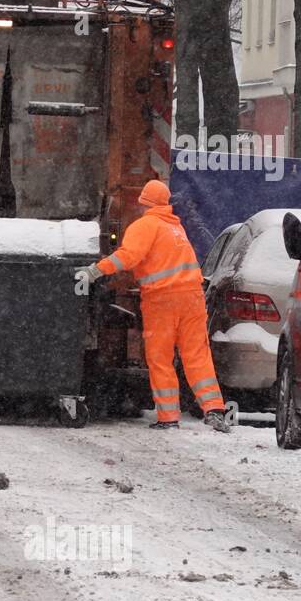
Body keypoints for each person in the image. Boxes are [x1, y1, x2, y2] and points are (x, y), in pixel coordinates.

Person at [79, 179, 231, 433]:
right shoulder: (176, 228)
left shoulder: (145, 226)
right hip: (192, 297)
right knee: (197, 355)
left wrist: (95, 270)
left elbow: (128, 256)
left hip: (163, 300)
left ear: (144, 203)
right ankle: (214, 408)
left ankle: (168, 416)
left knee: (160, 358)